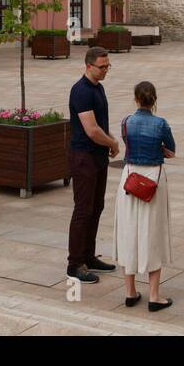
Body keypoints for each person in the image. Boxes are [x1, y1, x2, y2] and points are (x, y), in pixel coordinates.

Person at [115, 81, 176, 312]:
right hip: (153, 180)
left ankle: (130, 292)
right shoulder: (161, 124)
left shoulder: (126, 122)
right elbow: (171, 151)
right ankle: (154, 296)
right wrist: (158, 149)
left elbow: (128, 145)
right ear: (154, 100)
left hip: (130, 179)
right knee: (153, 233)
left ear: (136, 99)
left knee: (128, 230)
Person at [67, 46, 121, 283]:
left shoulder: (98, 88)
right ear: (89, 66)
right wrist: (113, 142)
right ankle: (74, 263)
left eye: (108, 66)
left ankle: (89, 255)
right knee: (83, 209)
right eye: (102, 67)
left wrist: (108, 141)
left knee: (96, 207)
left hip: (97, 156)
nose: (106, 70)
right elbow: (91, 130)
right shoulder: (81, 91)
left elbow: (100, 123)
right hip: (84, 157)